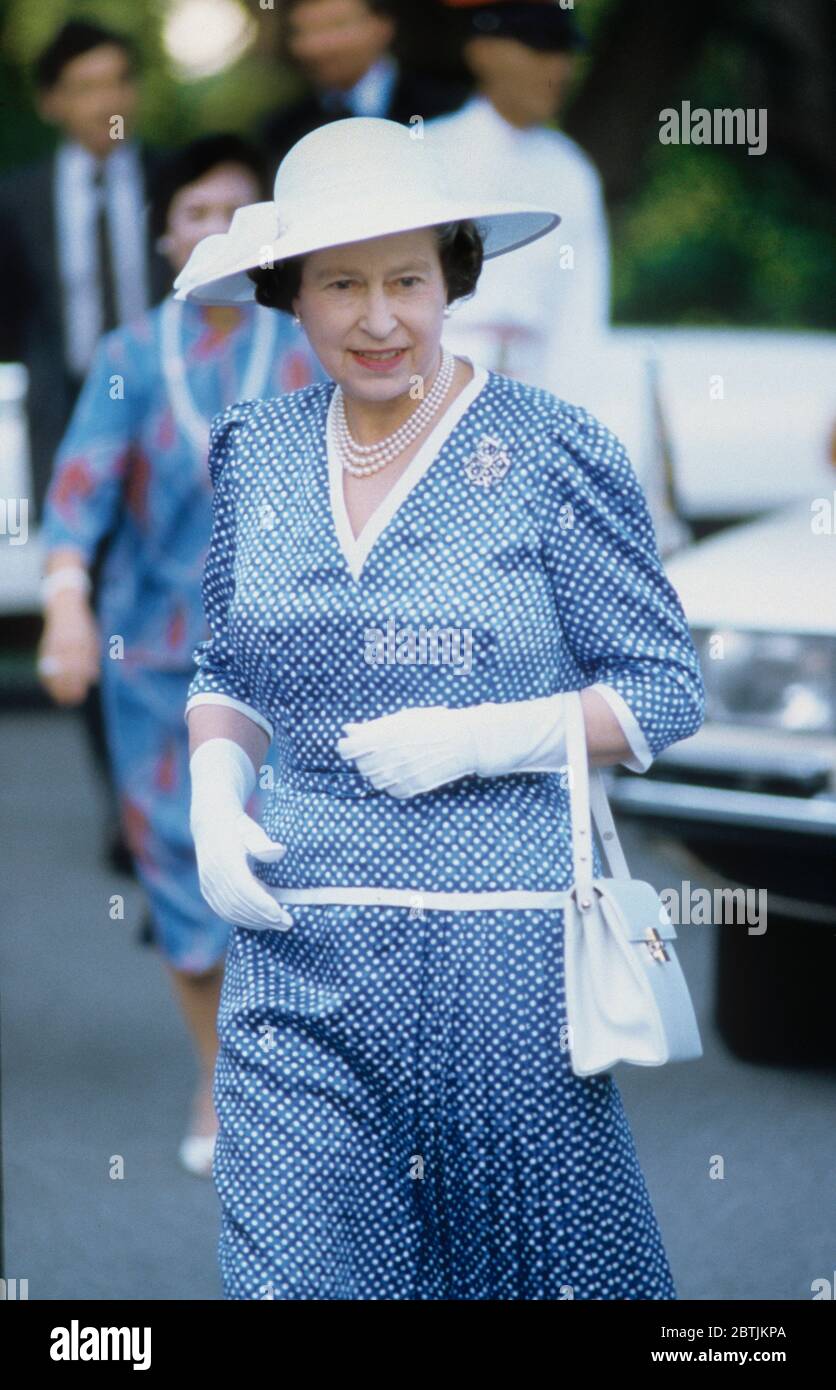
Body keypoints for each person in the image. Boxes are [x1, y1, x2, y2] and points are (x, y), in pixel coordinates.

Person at [177, 116, 704, 1299]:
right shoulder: (253, 449)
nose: (378, 318)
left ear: (454, 278)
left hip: (502, 964)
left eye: (407, 279)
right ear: (288, 297)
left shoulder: (554, 449)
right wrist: (215, 796)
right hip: (295, 947)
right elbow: (225, 664)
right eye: (342, 284)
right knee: (295, 1280)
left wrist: (486, 734)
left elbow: (665, 691)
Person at [35, 134, 324, 1178]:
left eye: (236, 215)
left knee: (297, 867)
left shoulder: (309, 347)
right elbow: (77, 494)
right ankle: (216, 1070)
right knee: (183, 874)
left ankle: (298, 1077)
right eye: (195, 212)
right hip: (155, 668)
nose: (213, 232)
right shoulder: (125, 356)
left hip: (297, 665)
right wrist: (66, 609)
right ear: (164, 232)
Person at [0, 20, 170, 874]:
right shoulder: (20, 196)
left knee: (175, 597)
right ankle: (128, 802)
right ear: (53, 101)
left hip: (171, 422)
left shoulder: (174, 181)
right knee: (85, 612)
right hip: (73, 427)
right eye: (86, 86)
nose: (108, 102)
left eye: (119, 81)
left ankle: (190, 785)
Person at [425, 0, 610, 403]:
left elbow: (580, 313)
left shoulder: (571, 170)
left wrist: (570, 411)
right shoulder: (426, 152)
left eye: (565, 53)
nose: (557, 70)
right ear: (482, 51)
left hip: (538, 386)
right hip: (433, 383)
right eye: (539, 50)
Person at [260, 0, 470, 168]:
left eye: (336, 26)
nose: (318, 46)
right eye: (303, 31)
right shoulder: (283, 131)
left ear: (383, 26)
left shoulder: (449, 107)